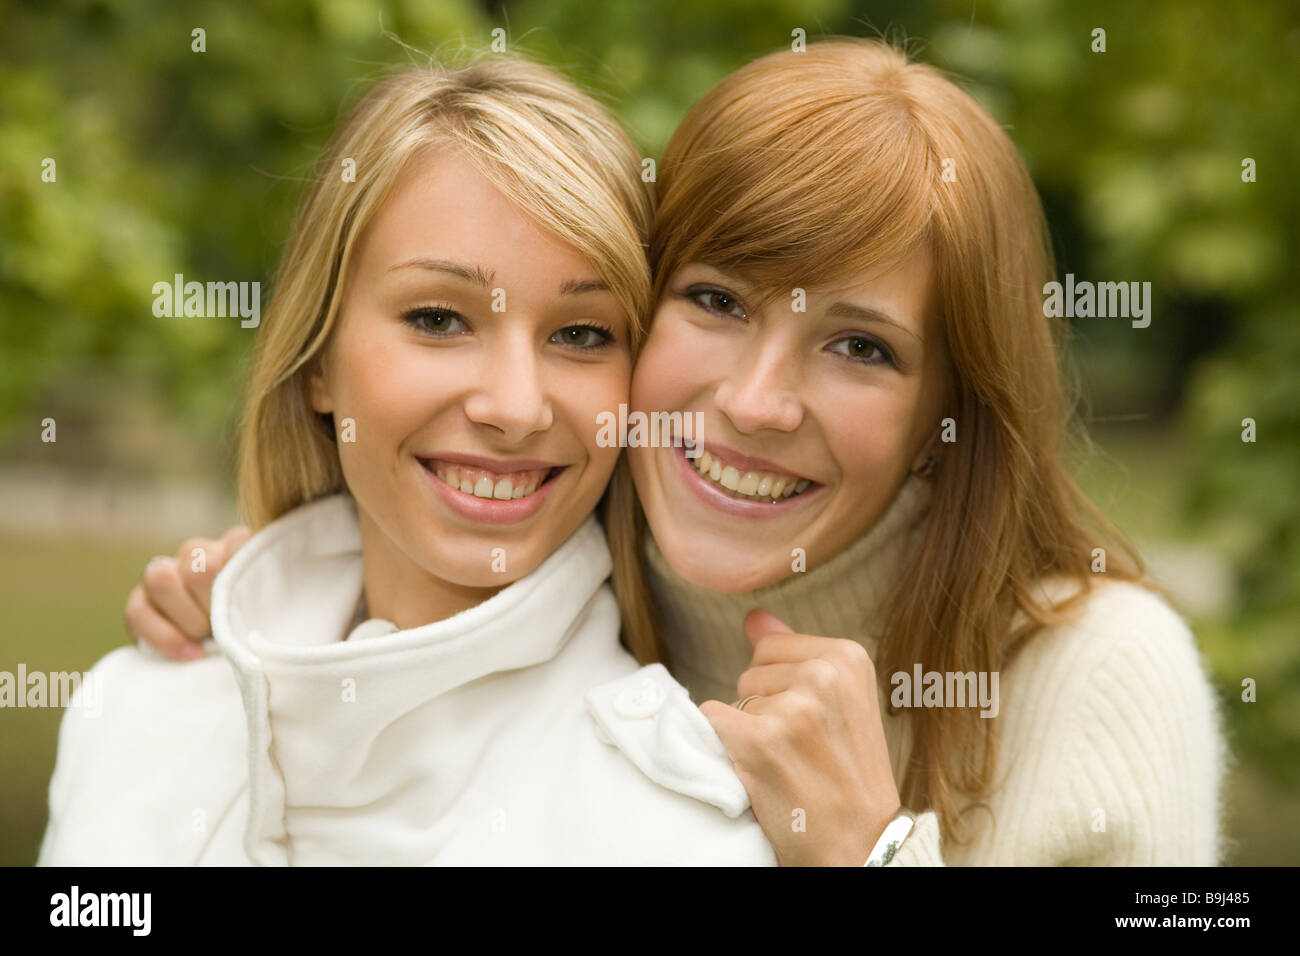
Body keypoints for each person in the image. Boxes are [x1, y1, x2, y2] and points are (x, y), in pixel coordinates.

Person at [120, 39, 1227, 866]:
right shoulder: (554, 565)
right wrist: (261, 605)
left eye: (858, 346)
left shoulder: (1100, 671)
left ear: (954, 412)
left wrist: (869, 850)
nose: (753, 401)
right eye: (715, 300)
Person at [37, 55, 776, 866]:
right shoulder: (132, 707)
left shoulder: (681, 827)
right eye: (438, 318)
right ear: (317, 359)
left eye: (580, 334)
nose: (516, 408)